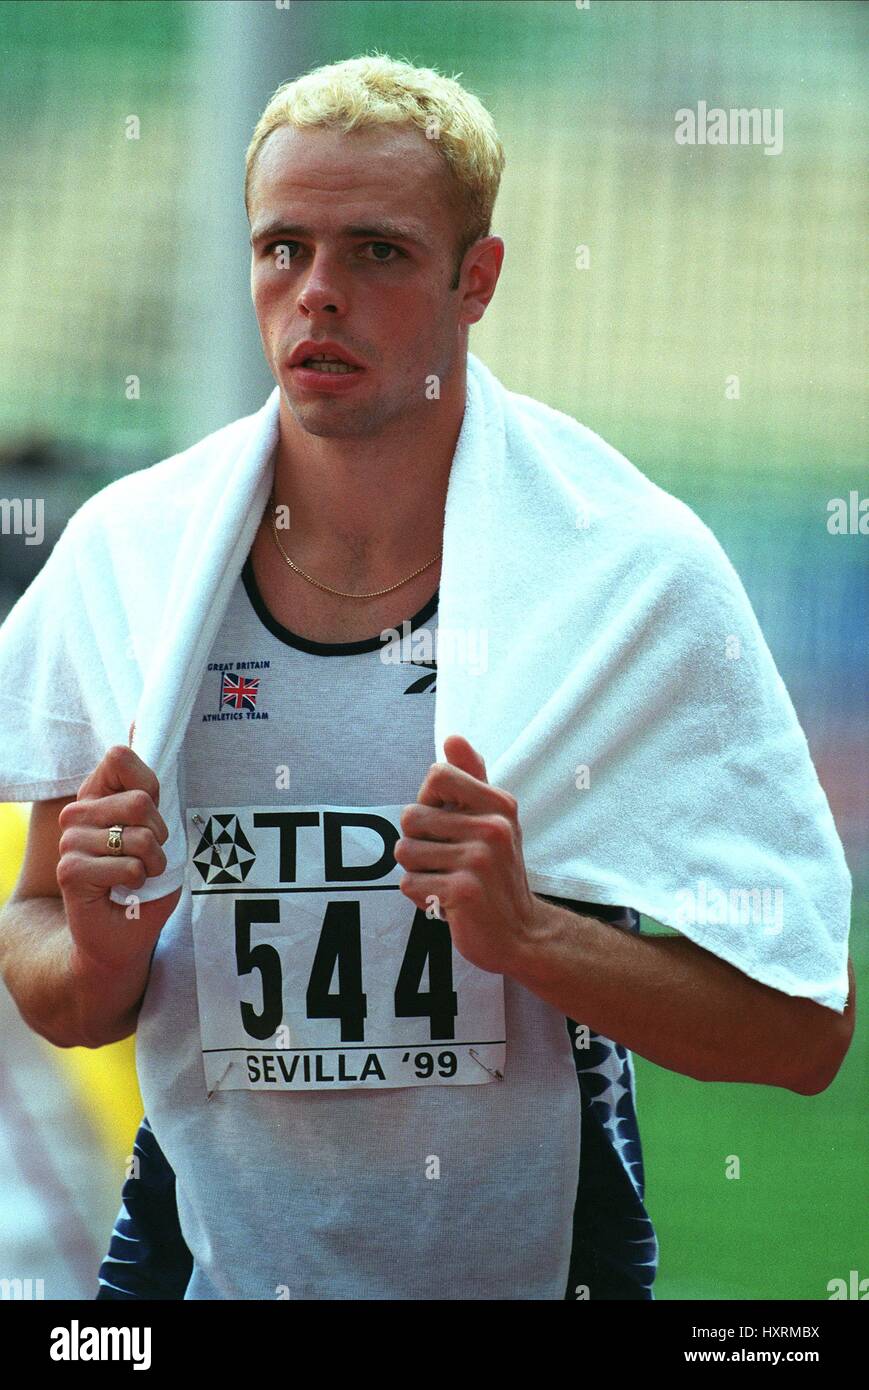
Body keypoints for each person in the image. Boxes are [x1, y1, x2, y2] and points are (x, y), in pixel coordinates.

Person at [0, 54, 854, 1302]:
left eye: (378, 253)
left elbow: (803, 1030)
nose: (318, 295)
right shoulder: (134, 556)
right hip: (194, 1267)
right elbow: (55, 979)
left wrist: (526, 936)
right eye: (281, 248)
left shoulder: (627, 574)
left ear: (478, 278)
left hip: (538, 1267)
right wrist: (101, 955)